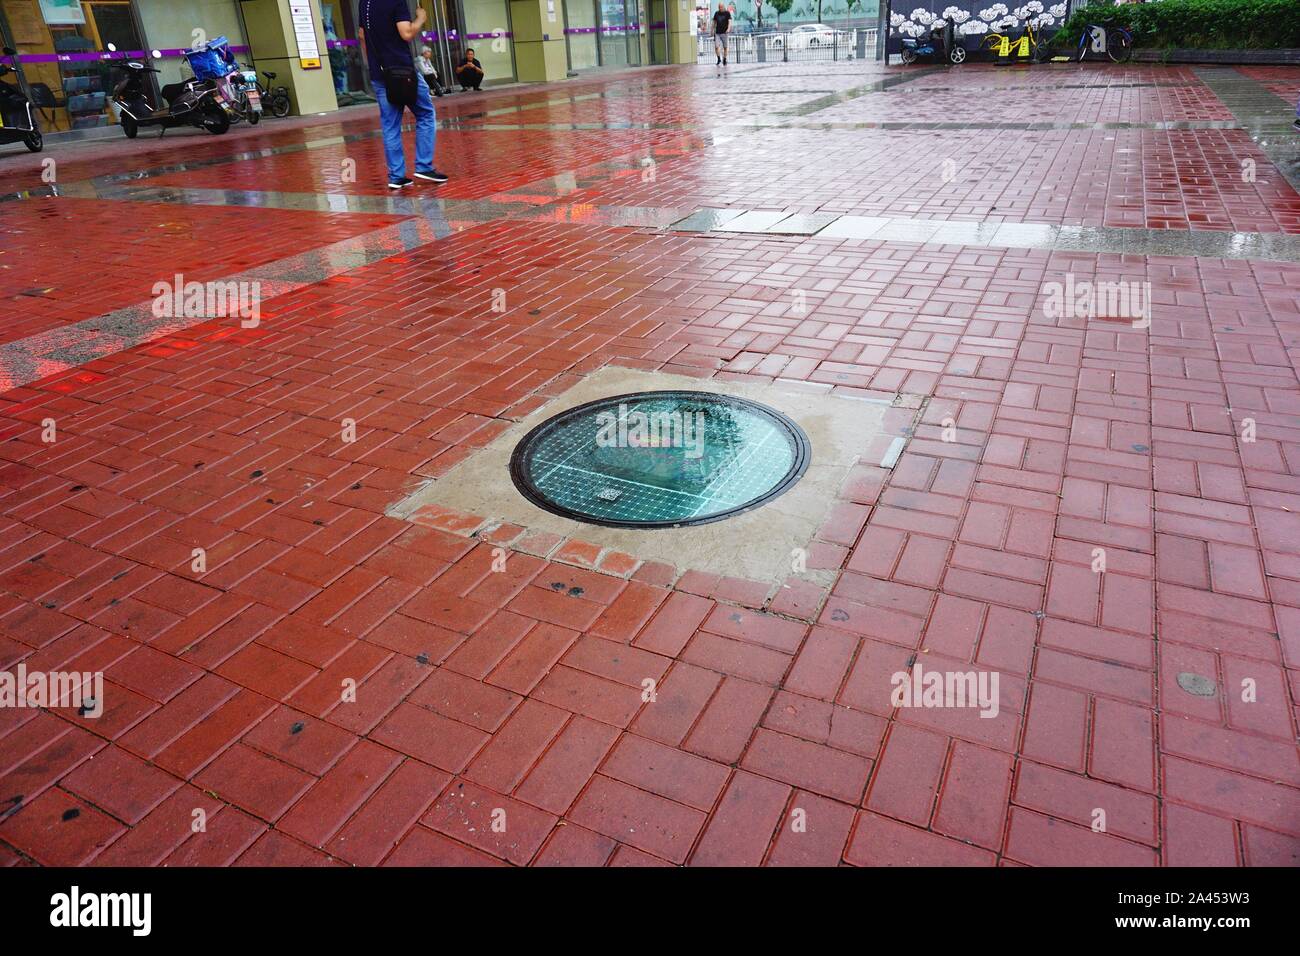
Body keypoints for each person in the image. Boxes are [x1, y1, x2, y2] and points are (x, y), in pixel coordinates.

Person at [358, 0, 449, 190]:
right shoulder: (396, 1)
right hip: (402, 70)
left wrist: (375, 63)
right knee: (425, 114)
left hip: (380, 73)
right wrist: (420, 19)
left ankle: (396, 176)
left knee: (390, 125)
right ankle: (424, 166)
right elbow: (406, 32)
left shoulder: (363, 2)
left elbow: (362, 36)